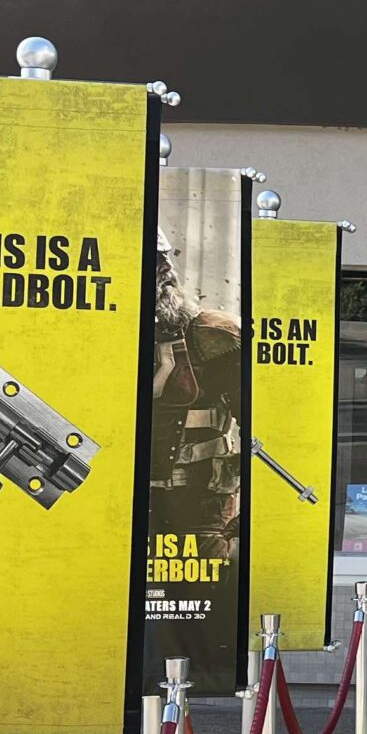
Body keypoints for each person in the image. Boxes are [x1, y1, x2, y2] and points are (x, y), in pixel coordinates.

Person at [149, 227, 244, 561]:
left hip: (202, 508)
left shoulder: (212, 336)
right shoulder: (100, 341)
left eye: (160, 260)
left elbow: (267, 427)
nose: (162, 269)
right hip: (124, 505)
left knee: (210, 603)